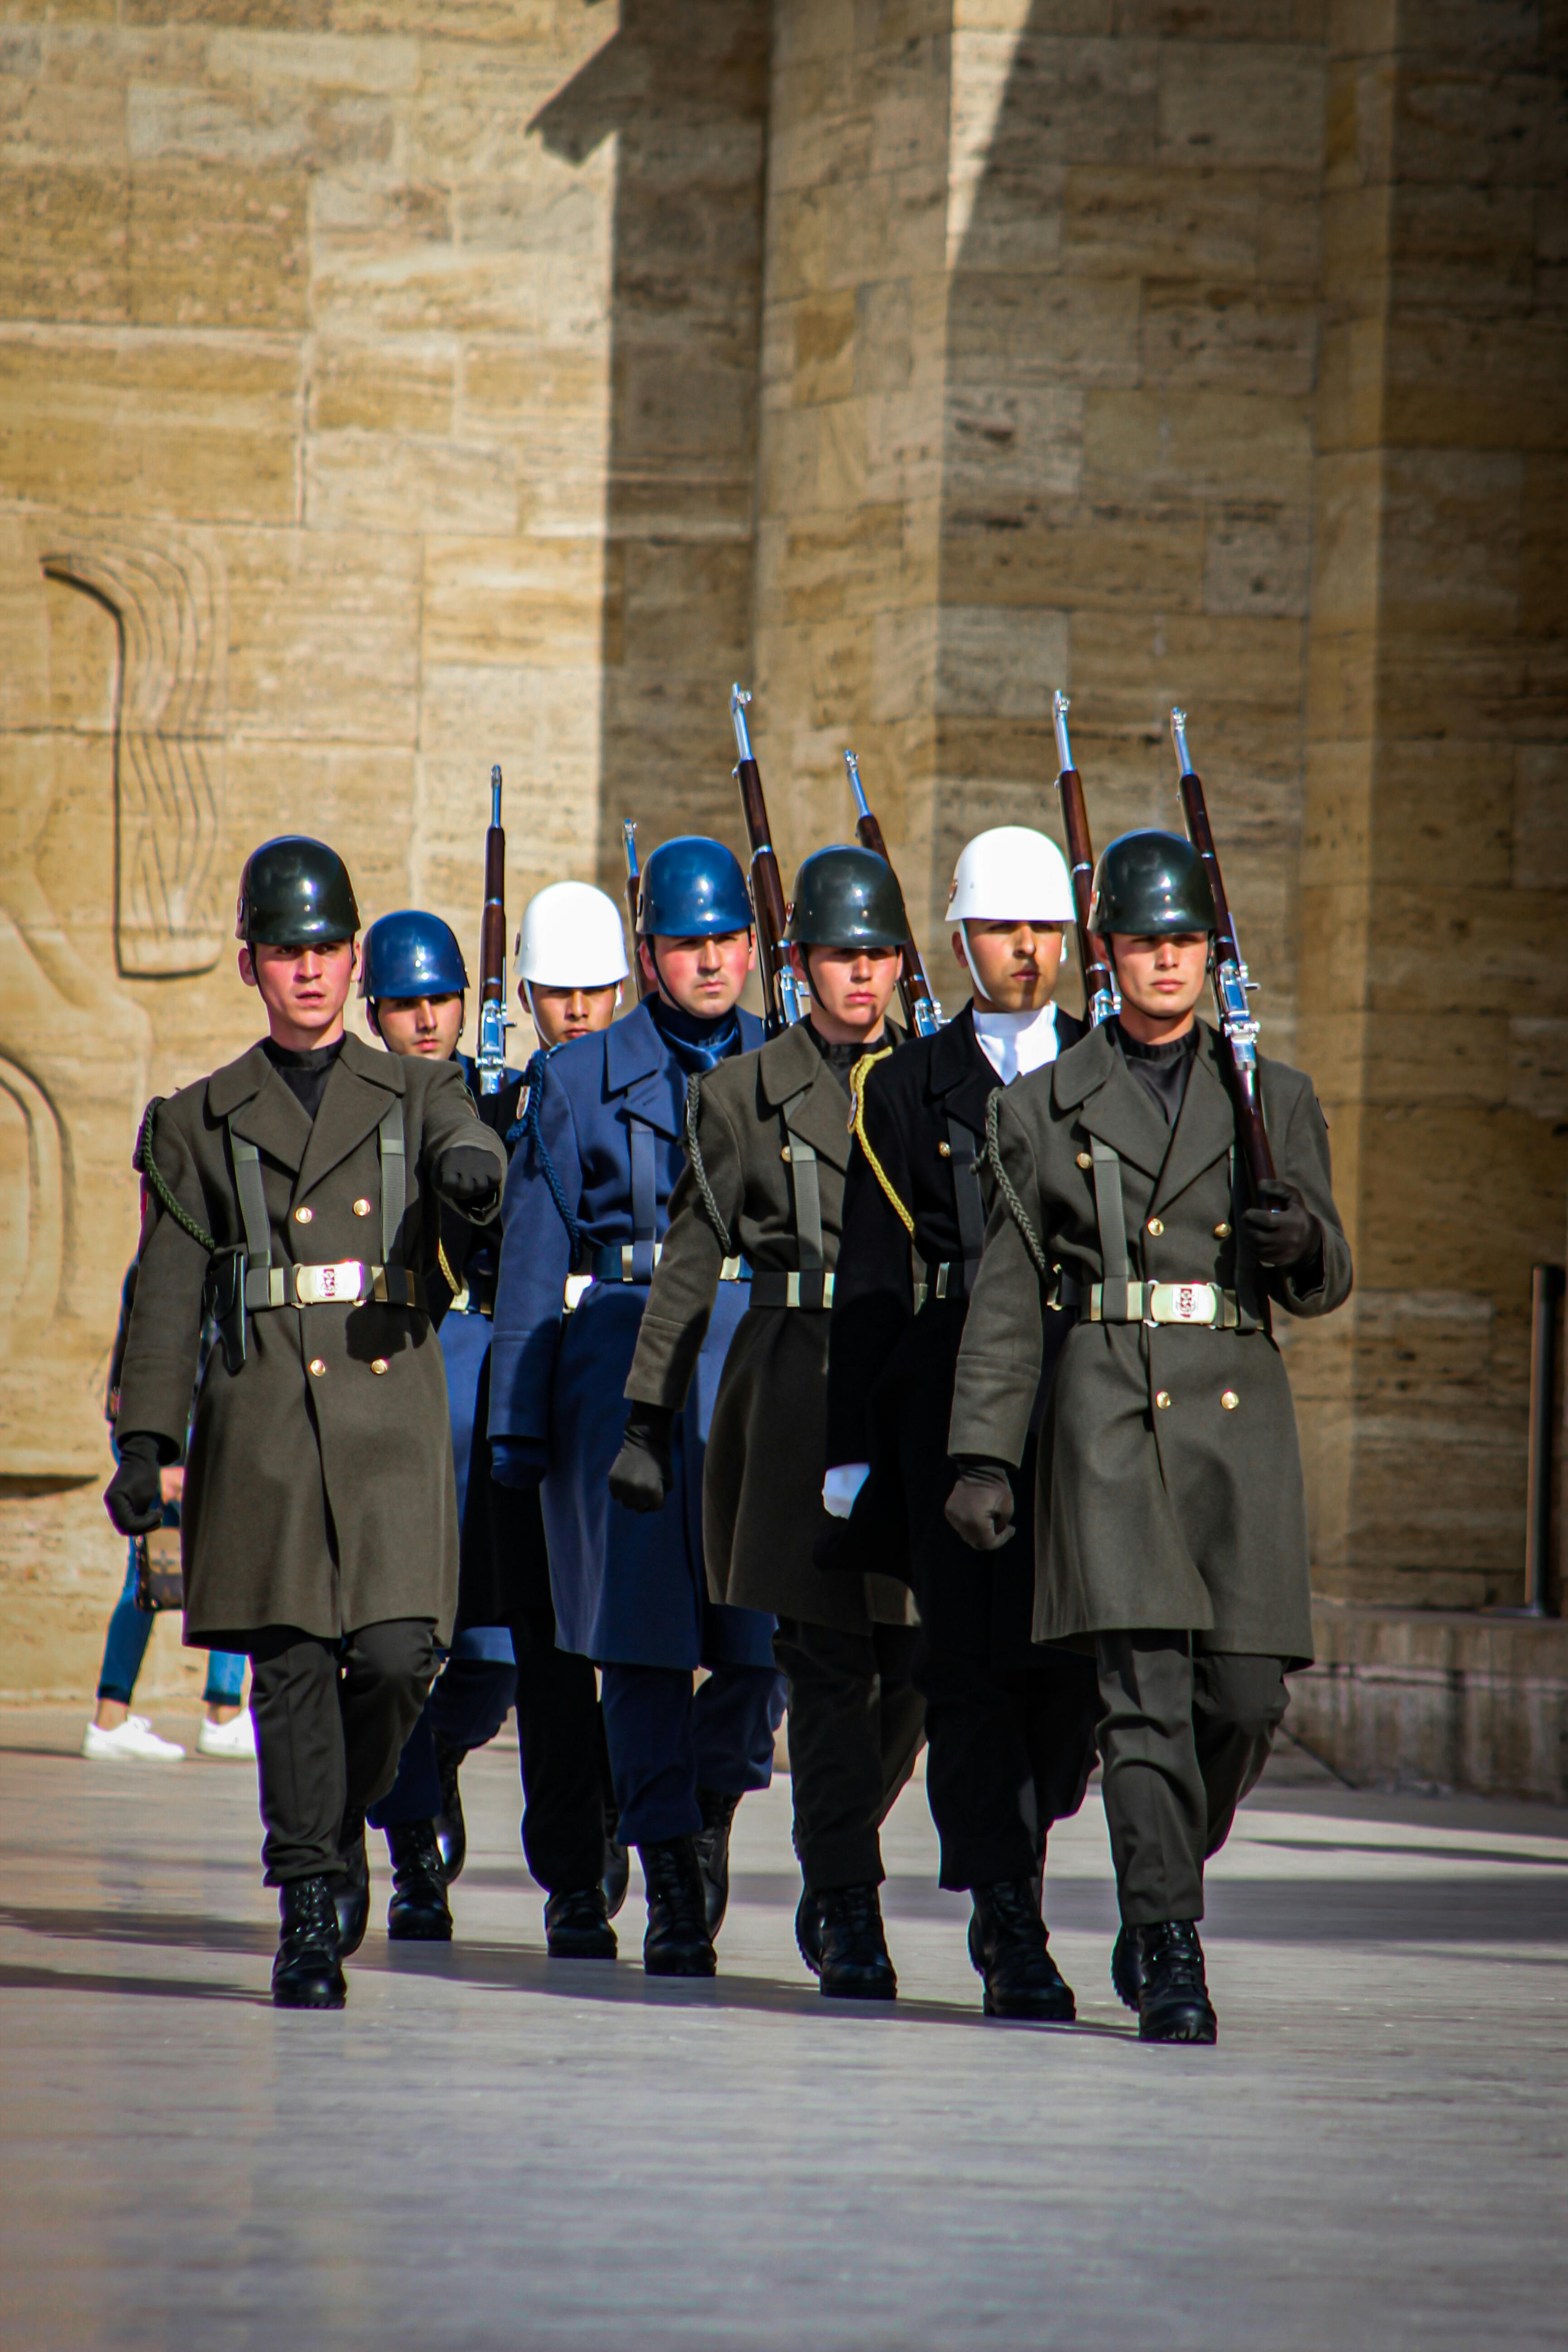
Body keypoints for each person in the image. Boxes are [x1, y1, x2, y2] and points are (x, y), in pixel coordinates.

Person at [945, 830, 1352, 2043]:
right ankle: (1169, 1943)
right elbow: (1009, 1296)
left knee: (1242, 1700)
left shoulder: (1271, 1096)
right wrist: (982, 1452)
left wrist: (1300, 1244)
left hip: (1234, 1414)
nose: (1164, 963)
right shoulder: (1041, 1106)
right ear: (1107, 953)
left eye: (1183, 942)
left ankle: (1166, 1873)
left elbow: (1327, 1277)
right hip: (1109, 1407)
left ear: (1205, 956)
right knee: (1142, 1701)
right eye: (1142, 943)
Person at [103, 837, 507, 2011]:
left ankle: (340, 1828)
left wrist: (476, 1178)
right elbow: (170, 1286)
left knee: (393, 1661)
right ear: (251, 965)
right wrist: (148, 1442)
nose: (314, 973)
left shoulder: (421, 1087)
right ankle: (310, 1906)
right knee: (287, 1671)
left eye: (331, 950)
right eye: (289, 953)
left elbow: (463, 1140)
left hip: (386, 1414)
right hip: (267, 1418)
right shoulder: (197, 1117)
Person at [612, 845, 924, 2002]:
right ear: (796, 966)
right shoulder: (739, 1094)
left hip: (907, 1393)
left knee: (916, 1662)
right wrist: (647, 1412)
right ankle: (844, 1894)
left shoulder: (938, 1083)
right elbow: (689, 1266)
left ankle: (833, 1845)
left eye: (877, 954)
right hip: (793, 1387)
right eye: (840, 955)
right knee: (829, 1661)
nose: (860, 976)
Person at [489, 840, 784, 1979]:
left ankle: (704, 1801)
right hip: (623, 1371)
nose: (707, 962)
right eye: (682, 943)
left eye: (724, 941)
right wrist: (519, 1416)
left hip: (755, 1369)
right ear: (648, 952)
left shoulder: (791, 1061)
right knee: (646, 1644)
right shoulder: (571, 1080)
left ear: (752, 947)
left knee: (758, 1646)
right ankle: (665, 1873)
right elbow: (532, 1255)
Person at [825, 827, 1102, 2020]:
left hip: (1088, 1401)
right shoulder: (903, 1085)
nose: (1025, 951)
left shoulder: (1107, 1070)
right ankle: (1008, 1918)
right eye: (1002, 930)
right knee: (971, 1668)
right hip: (946, 1395)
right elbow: (875, 1273)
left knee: (1073, 1679)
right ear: (961, 941)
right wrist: (850, 1443)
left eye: (1043, 929)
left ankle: (1017, 1847)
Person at [446, 878, 637, 1959]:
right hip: (533, 1392)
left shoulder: (653, 1092)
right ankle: (573, 1869)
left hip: (617, 1381)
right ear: (525, 995)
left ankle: (640, 1821)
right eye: (556, 994)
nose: (575, 1010)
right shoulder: (505, 1106)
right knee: (549, 1655)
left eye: (592, 992)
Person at [343, 907, 526, 1942]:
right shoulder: (357, 1112)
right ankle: (413, 1851)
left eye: (439, 1000)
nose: (425, 1019)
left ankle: (436, 1767)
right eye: (405, 1004)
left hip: (488, 1387)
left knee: (493, 1656)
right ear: (376, 1011)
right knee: (404, 1646)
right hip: (401, 1383)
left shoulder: (504, 1098)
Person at [85, 1267, 254, 1763]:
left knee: (153, 1574)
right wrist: (167, 1464)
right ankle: (220, 1714)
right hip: (180, 1443)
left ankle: (113, 1715)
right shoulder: (184, 1269)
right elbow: (160, 1364)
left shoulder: (160, 1264)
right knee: (221, 1569)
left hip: (166, 1439)